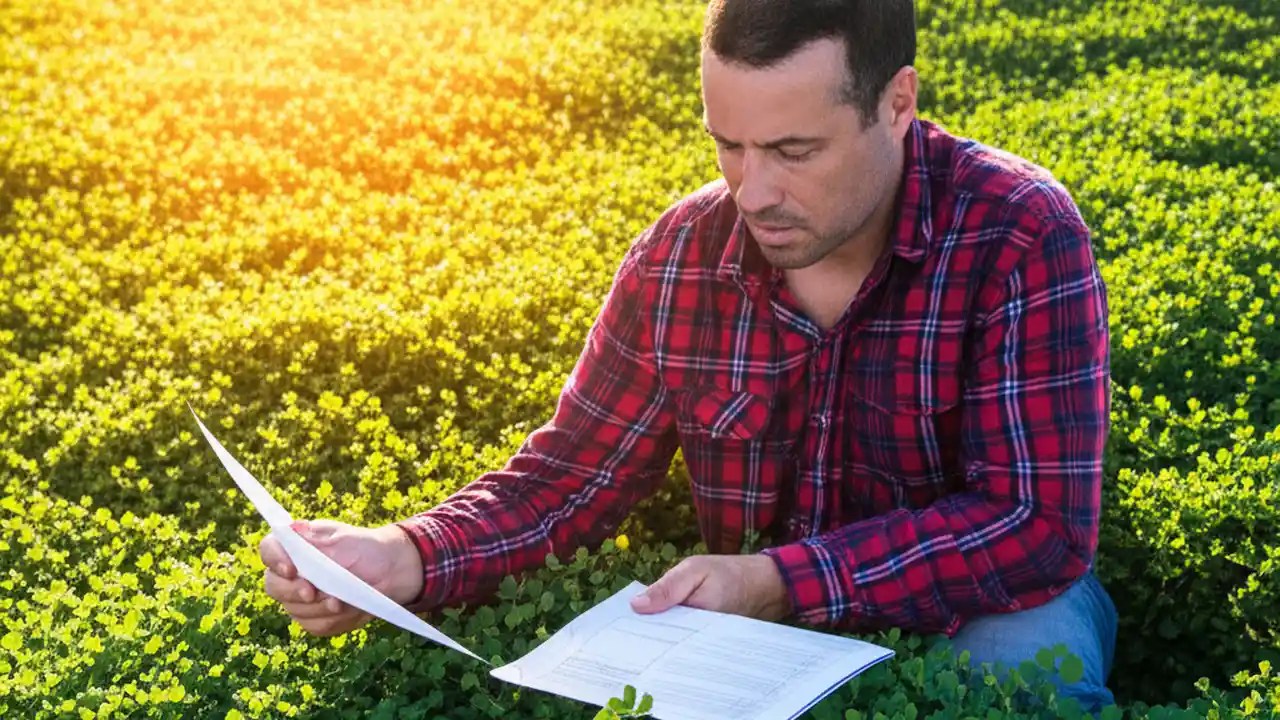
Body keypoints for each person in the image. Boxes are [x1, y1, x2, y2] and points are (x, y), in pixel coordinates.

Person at [259, 0, 1118, 711]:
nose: (755, 191)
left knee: (1020, 680)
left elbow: (1033, 526)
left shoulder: (1019, 232)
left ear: (896, 104)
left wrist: (781, 580)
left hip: (977, 602)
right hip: (749, 631)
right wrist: (404, 555)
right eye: (728, 144)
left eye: (794, 151)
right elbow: (571, 477)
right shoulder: (679, 254)